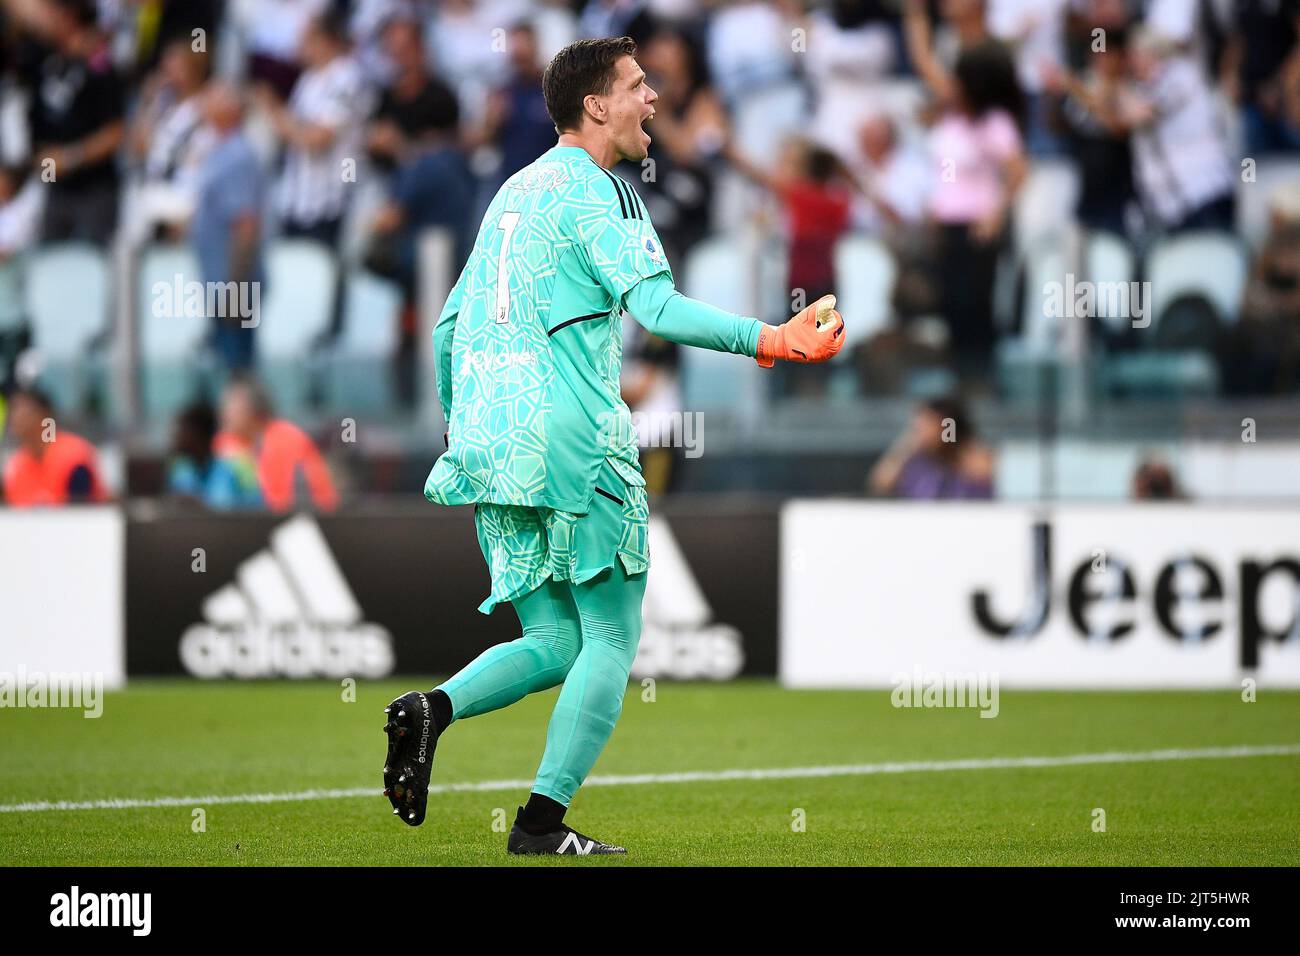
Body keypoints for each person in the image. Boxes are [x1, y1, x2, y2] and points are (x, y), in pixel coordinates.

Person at [381, 36, 844, 855]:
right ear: (597, 105)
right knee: (610, 638)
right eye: (637, 86)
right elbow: (657, 311)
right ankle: (540, 826)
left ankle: (432, 709)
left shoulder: (510, 195)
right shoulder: (603, 192)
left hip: (492, 440)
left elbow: (450, 324)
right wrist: (770, 339)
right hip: (574, 435)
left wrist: (468, 427)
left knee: (555, 641)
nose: (654, 99)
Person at [190, 81, 266, 372]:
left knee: (237, 371)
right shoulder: (218, 151)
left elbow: (246, 224)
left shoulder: (236, 156)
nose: (205, 102)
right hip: (220, 283)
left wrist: (235, 290)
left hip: (234, 285)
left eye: (213, 97)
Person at [213, 376, 339, 512]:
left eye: (232, 404)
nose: (224, 412)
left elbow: (283, 502)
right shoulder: (226, 441)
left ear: (255, 409)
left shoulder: (286, 439)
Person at [868, 396, 994, 499]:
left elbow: (984, 471)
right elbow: (881, 484)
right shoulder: (917, 460)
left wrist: (950, 442)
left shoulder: (971, 456)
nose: (922, 429)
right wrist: (907, 444)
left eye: (929, 423)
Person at [1, 385, 108, 506]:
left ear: (44, 414)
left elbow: (80, 514)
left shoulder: (73, 456)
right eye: (12, 410)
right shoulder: (16, 466)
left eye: (20, 409)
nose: (14, 417)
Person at [166, 400, 262, 509]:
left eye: (184, 431)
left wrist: (203, 505)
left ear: (201, 435)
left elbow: (256, 509)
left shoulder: (235, 468)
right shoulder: (180, 473)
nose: (178, 437)